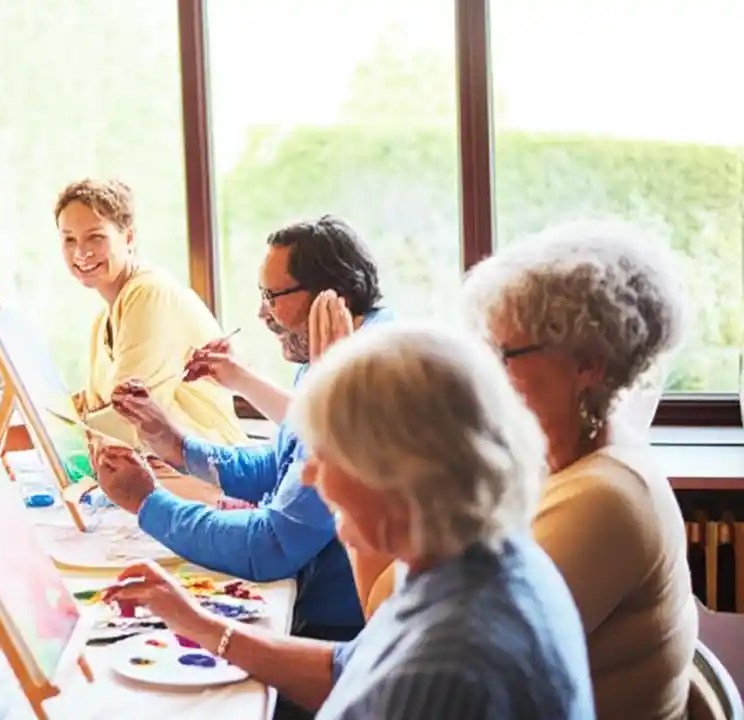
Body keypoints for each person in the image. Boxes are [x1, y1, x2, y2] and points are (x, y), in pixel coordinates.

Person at [98, 324, 594, 720]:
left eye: (327, 455)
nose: (310, 475)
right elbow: (347, 669)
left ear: (399, 473)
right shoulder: (466, 559)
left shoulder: (446, 670)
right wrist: (199, 625)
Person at [93, 217, 390, 641]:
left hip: (339, 634)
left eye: (272, 296)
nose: (261, 314)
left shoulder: (361, 381)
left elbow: (272, 545)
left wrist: (148, 502)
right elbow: (280, 465)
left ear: (331, 296)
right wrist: (175, 444)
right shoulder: (329, 358)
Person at [459, 220, 694, 720]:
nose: (483, 368)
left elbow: (437, 662)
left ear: (587, 364)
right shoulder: (553, 458)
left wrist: (361, 460)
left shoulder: (604, 499)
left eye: (503, 353)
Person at [0, 178, 245, 446]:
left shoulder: (149, 293)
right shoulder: (103, 321)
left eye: (95, 237)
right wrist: (8, 372)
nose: (80, 252)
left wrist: (10, 441)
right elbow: (88, 408)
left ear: (128, 236)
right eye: (69, 239)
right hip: (159, 471)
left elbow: (129, 418)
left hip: (208, 472)